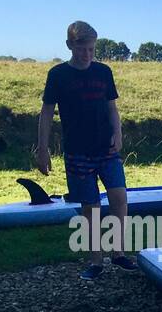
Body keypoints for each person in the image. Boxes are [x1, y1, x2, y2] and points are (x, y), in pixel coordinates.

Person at [36, 21, 131, 280]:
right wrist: (42, 149)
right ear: (70, 46)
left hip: (107, 148)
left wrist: (118, 132)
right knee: (91, 207)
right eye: (82, 49)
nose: (88, 55)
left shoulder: (103, 72)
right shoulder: (57, 75)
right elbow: (46, 113)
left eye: (91, 49)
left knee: (119, 199)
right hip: (78, 151)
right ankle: (96, 261)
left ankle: (119, 254)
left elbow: (112, 107)